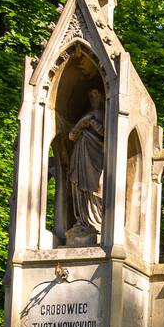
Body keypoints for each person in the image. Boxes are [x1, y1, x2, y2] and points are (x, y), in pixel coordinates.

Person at [66, 85, 105, 244]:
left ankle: (97, 222)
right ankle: (82, 221)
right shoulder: (85, 115)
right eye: (90, 95)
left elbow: (107, 134)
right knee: (79, 188)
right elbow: (71, 136)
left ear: (102, 96)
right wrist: (82, 123)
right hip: (80, 154)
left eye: (95, 94)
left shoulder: (104, 114)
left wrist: (92, 122)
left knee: (96, 188)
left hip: (96, 155)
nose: (92, 98)